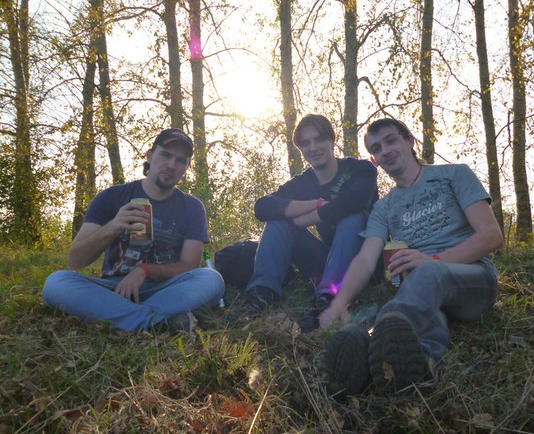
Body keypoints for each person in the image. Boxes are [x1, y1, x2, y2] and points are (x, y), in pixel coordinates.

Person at [318, 118, 503, 397]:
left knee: (426, 275)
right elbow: (365, 259)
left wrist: (434, 260)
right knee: (419, 311)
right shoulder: (384, 207)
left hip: (473, 280)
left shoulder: (454, 174)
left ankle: (369, 344)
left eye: (391, 140)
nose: (385, 150)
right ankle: (418, 368)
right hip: (424, 293)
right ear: (375, 160)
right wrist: (337, 303)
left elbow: (491, 236)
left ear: (409, 140)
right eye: (377, 148)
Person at [43, 128, 225, 332]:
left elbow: (189, 266)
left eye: (181, 160)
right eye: (165, 155)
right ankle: (156, 320)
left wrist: (145, 271)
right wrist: (113, 226)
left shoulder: (192, 207)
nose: (171, 165)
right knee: (56, 282)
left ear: (186, 167)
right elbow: (75, 260)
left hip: (167, 289)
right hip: (113, 289)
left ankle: (126, 318)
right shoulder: (111, 197)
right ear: (150, 155)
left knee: (211, 279)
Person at [237, 114, 378, 331]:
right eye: (305, 143)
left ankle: (327, 299)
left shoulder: (360, 169)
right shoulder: (303, 183)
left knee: (353, 217)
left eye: (319, 139)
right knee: (279, 220)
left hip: (365, 261)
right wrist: (316, 203)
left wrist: (311, 217)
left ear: (332, 140)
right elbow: (262, 207)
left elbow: (356, 201)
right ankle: (262, 294)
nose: (313, 147)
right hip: (328, 261)